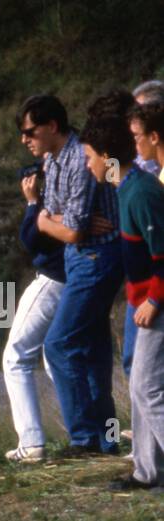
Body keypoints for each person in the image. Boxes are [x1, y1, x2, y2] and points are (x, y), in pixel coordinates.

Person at [24, 93, 122, 456]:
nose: (25, 139)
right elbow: (58, 218)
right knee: (93, 351)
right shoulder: (53, 160)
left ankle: (84, 438)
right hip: (80, 258)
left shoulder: (79, 158)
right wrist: (56, 220)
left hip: (95, 258)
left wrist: (45, 221)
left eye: (30, 131)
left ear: (52, 126)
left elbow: (73, 231)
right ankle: (107, 438)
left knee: (59, 344)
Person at [80, 108, 164, 489]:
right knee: (139, 386)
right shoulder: (125, 190)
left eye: (89, 157)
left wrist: (153, 301)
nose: (87, 166)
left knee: (147, 387)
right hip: (145, 304)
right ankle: (148, 472)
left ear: (106, 157)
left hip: (157, 306)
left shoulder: (141, 194)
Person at [3, 157, 67, 463]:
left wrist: (32, 202)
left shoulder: (57, 185)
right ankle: (90, 432)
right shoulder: (75, 172)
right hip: (77, 276)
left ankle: (30, 443)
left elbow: (30, 238)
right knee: (57, 358)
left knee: (16, 357)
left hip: (53, 278)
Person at [118, 83, 164, 379]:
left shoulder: (150, 181)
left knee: (145, 378)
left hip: (154, 284)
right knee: (134, 367)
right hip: (143, 281)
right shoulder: (142, 166)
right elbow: (114, 180)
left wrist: (155, 298)